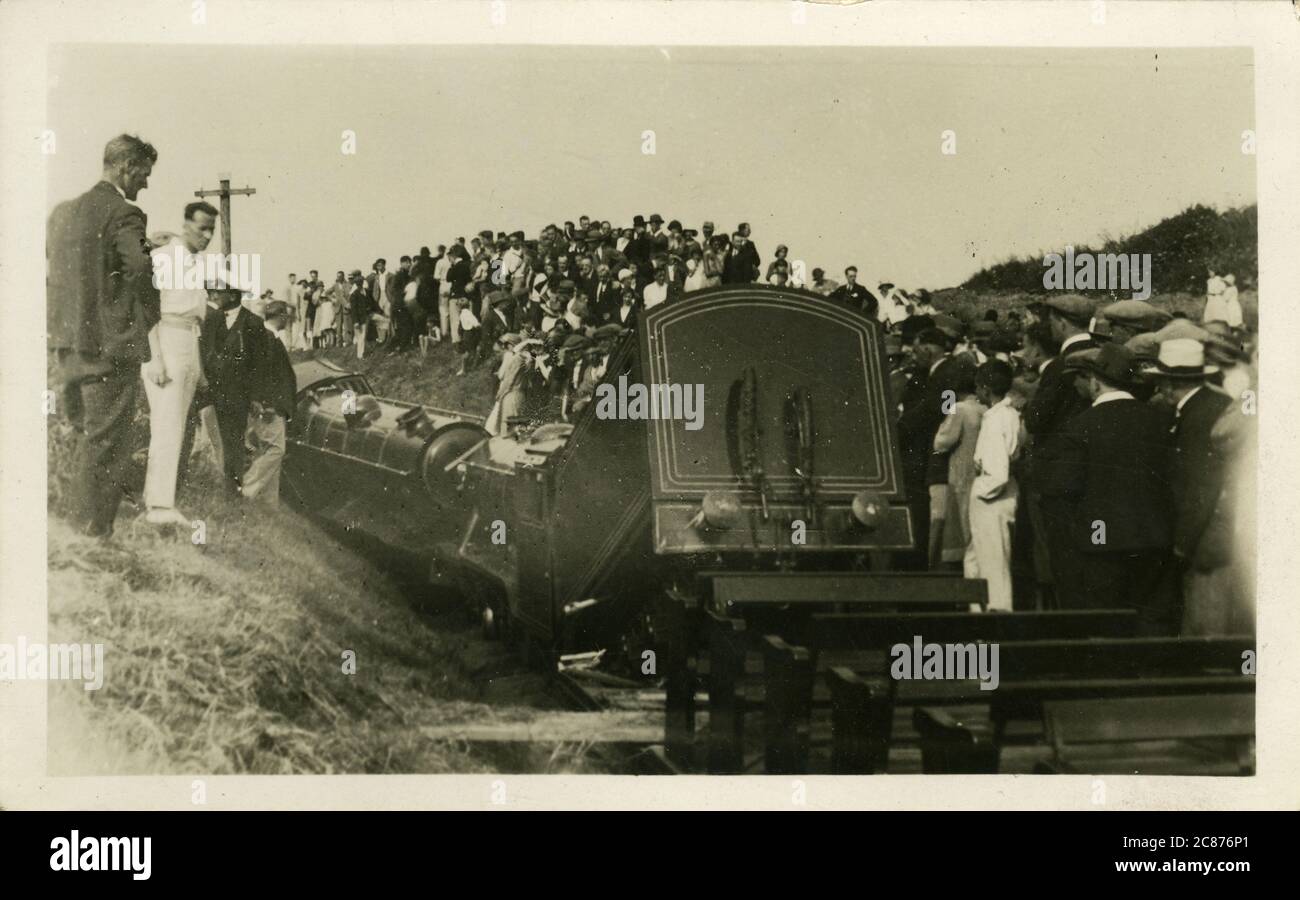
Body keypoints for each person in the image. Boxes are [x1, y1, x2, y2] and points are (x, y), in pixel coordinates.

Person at [47, 134, 161, 537]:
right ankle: (93, 536)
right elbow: (140, 271)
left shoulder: (62, 213)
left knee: (84, 437)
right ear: (125, 167)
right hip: (108, 349)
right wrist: (144, 320)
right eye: (144, 175)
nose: (145, 184)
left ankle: (77, 534)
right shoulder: (126, 214)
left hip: (66, 345)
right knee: (108, 445)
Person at [1047, 343, 1176, 634]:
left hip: (1101, 544)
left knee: (1107, 627)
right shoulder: (1159, 421)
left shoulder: (1080, 426)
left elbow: (1065, 489)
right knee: (1152, 625)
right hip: (1155, 540)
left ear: (1094, 382)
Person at [1142, 339, 1234, 635]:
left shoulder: (1198, 416)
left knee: (1202, 616)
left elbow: (1200, 485)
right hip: (1205, 531)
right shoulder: (1207, 405)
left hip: (1201, 537)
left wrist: (1182, 542)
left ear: (1169, 383)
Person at [138, 201, 217, 526]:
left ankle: (160, 500)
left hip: (187, 343)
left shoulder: (196, 263)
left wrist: (198, 369)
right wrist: (153, 357)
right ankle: (157, 507)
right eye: (202, 228)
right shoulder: (163, 257)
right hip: (165, 342)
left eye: (212, 229)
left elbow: (194, 319)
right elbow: (146, 310)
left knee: (176, 427)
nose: (208, 235)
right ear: (185, 225)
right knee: (166, 426)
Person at [1021, 294, 1098, 608]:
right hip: (1091, 471)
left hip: (1058, 476)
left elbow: (1037, 418)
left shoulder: (1062, 365)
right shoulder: (1098, 354)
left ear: (1062, 322)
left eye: (1051, 322)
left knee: (1062, 561)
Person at [201, 285, 269, 496]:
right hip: (212, 391)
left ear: (232, 295)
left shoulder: (253, 322)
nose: (212, 296)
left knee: (233, 441)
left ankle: (232, 490)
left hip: (238, 394)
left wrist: (257, 397)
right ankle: (213, 484)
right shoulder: (211, 319)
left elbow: (260, 364)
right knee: (211, 440)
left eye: (217, 292)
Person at [965, 360, 1021, 611]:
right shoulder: (1007, 415)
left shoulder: (997, 420)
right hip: (998, 494)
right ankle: (978, 616)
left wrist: (980, 491)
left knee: (993, 564)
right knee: (976, 560)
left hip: (992, 496)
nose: (976, 393)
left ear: (986, 389)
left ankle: (998, 620)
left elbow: (998, 473)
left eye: (978, 388)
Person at [241, 302, 297, 505]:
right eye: (287, 317)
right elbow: (262, 374)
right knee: (276, 450)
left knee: (268, 450)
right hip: (269, 406)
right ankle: (247, 487)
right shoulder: (267, 338)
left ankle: (268, 501)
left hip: (271, 405)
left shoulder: (267, 337)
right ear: (280, 316)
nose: (288, 321)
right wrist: (267, 403)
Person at [932, 368, 986, 568]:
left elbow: (941, 442)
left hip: (962, 474)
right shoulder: (986, 409)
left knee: (963, 529)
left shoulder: (959, 409)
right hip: (983, 476)